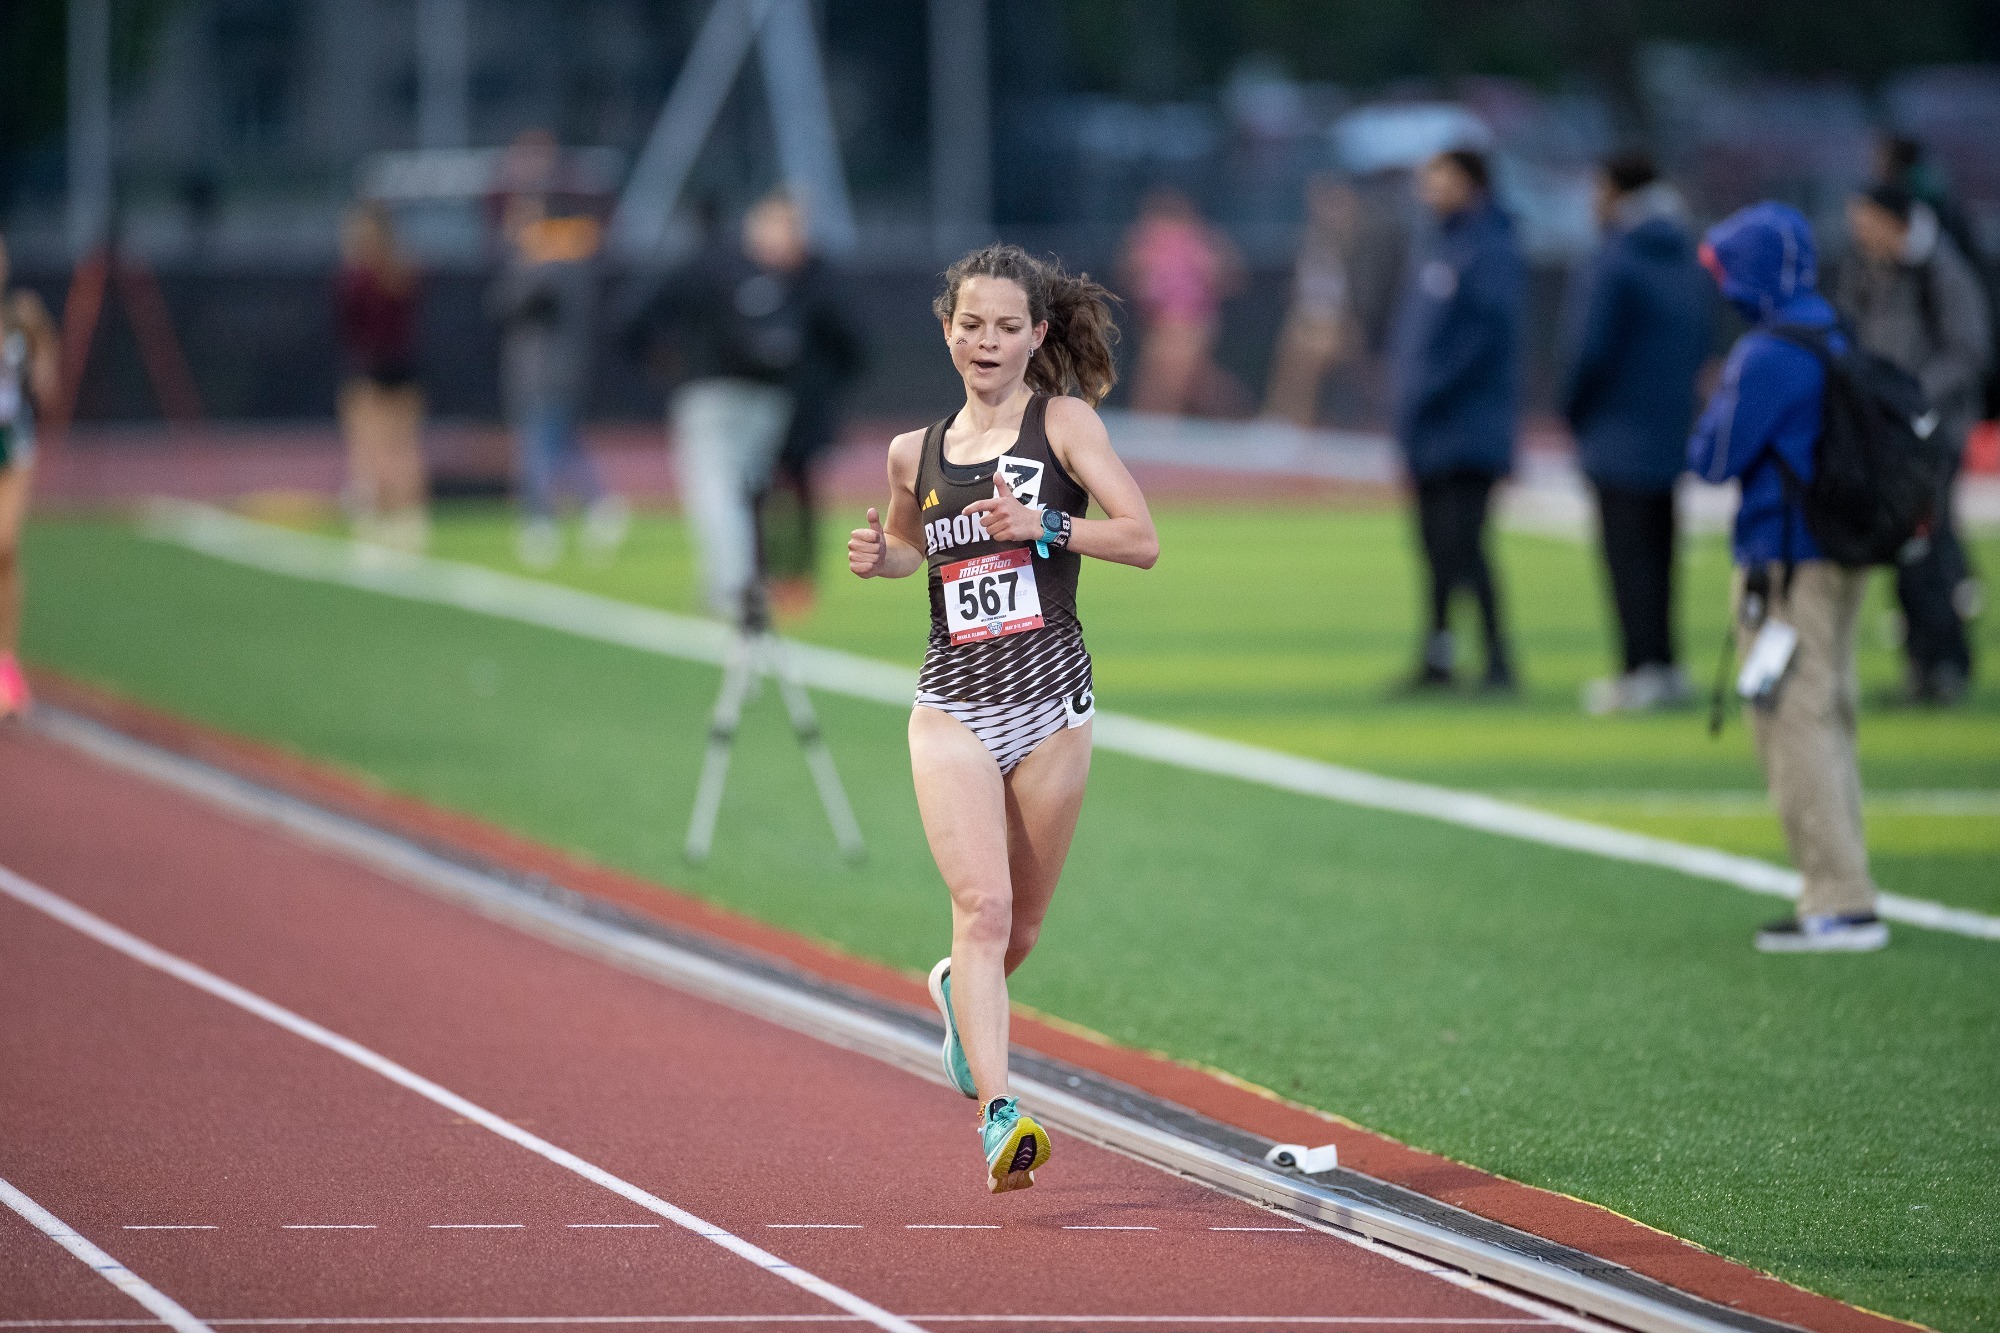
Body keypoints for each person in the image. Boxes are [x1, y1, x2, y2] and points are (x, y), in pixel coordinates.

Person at [847, 244, 1157, 1191]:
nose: (987, 341)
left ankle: (954, 990)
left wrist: (1044, 524)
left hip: (1052, 708)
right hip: (952, 705)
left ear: (1036, 335)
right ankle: (1000, 1116)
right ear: (948, 332)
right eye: (971, 324)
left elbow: (1141, 539)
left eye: (1006, 326)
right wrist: (884, 559)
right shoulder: (914, 451)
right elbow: (913, 546)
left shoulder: (1064, 424)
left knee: (1017, 930)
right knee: (981, 907)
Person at [1689, 202, 1888, 953]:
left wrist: (1715, 400)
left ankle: (1837, 898)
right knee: (1829, 711)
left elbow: (1714, 458)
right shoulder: (1833, 330)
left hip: (1783, 559)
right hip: (1837, 551)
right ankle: (1847, 884)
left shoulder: (1767, 354)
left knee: (1792, 721)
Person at [626, 193, 852, 623]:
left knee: (722, 492)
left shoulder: (717, 267)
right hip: (770, 399)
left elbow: (634, 317)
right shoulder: (780, 273)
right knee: (748, 495)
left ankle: (738, 587)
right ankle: (751, 582)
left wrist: (663, 363)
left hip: (725, 396)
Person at [1561, 153, 1715, 714]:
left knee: (1626, 556)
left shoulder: (1614, 256)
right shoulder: (1687, 253)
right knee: (1662, 551)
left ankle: (1637, 668)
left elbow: (1589, 349)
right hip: (1669, 423)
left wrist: (1573, 409)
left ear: (1615, 190)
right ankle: (1666, 665)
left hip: (1615, 426)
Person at [1835, 183, 1991, 705]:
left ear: (1892, 221)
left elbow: (1969, 350)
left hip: (1934, 432)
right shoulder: (1868, 269)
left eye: (1865, 222)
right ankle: (1922, 666)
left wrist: (1911, 395)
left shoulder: (1941, 271)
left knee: (1933, 545)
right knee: (1904, 546)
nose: (1859, 233)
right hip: (1890, 433)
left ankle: (1946, 664)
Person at [1389, 149, 1523, 692]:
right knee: (1435, 548)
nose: (1427, 189)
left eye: (1437, 178)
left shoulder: (1489, 247)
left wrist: (1428, 389)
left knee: (1466, 544)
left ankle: (1498, 660)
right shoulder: (1440, 244)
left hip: (1467, 426)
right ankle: (1439, 656)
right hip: (1432, 426)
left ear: (1470, 182)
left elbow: (1482, 340)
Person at [488, 199, 626, 570]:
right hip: (543, 376)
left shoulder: (553, 271)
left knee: (538, 450)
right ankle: (599, 505)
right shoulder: (560, 268)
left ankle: (540, 521)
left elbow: (512, 302)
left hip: (548, 377)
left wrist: (533, 261)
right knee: (563, 445)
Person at [334, 202, 429, 554]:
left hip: (370, 369)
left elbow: (348, 327)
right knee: (405, 447)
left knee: (368, 448)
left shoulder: (357, 279)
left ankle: (371, 519)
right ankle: (411, 520)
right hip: (404, 367)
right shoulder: (403, 272)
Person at [0, 235, 60, 720]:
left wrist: (43, 354)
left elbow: (45, 380)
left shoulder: (19, 319)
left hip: (12, 446)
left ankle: (5, 665)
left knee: (4, 546)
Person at [1120, 187, 1244, 417]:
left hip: (1189, 321)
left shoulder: (1197, 240)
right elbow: (1132, 277)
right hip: (1160, 321)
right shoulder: (1147, 242)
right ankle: (1153, 427)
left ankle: (1236, 417)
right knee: (1171, 378)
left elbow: (1229, 276)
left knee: (1174, 379)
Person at [1263, 173, 1362, 427]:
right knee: (1290, 370)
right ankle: (1281, 421)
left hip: (1329, 317)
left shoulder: (1350, 241)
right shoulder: (1311, 238)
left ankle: (1304, 426)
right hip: (1305, 313)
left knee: (1313, 374)